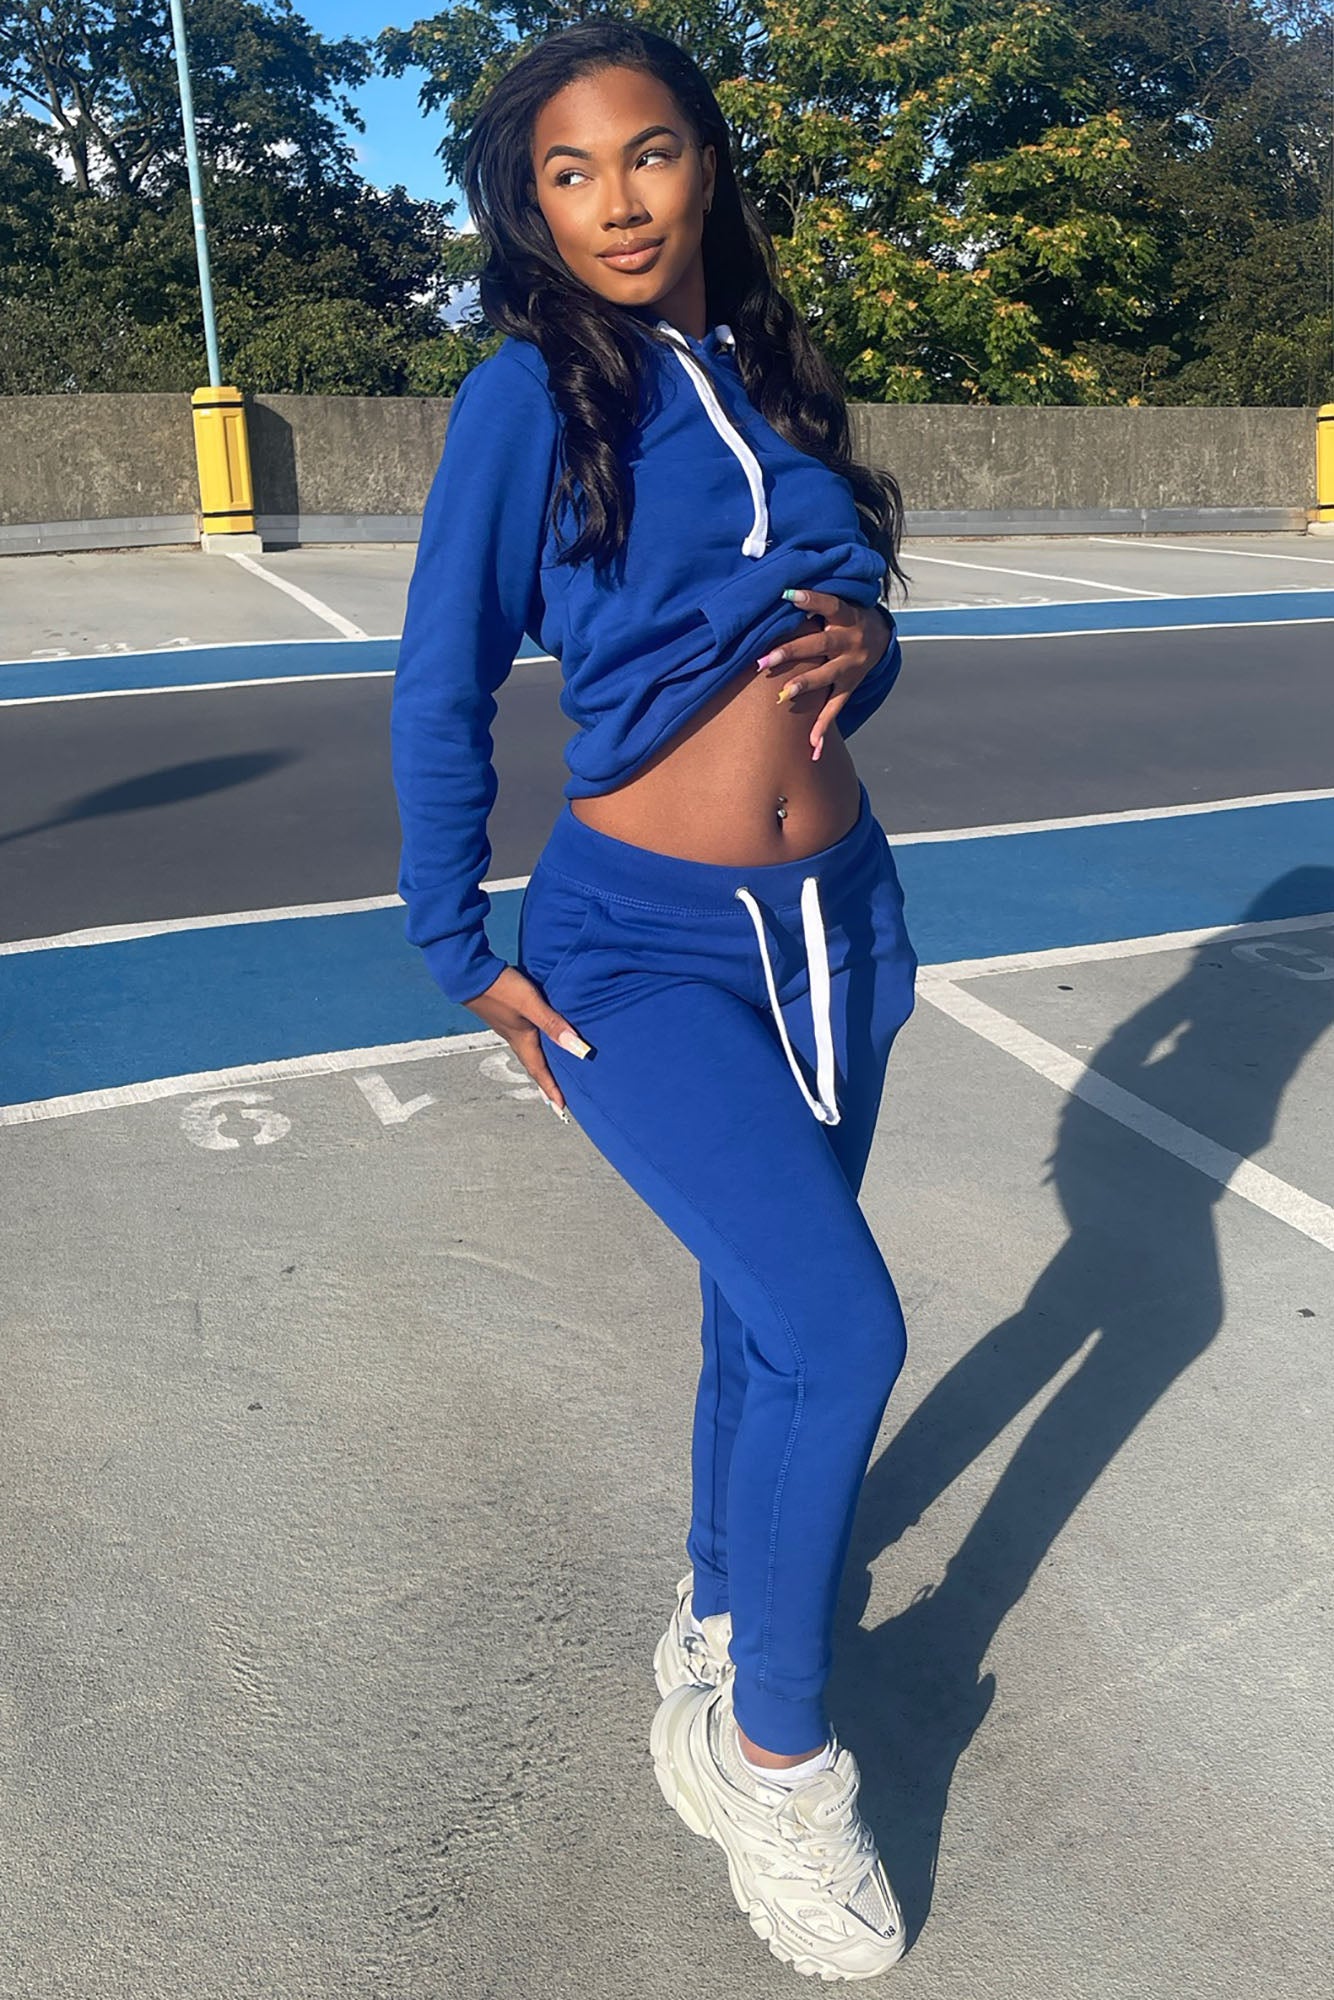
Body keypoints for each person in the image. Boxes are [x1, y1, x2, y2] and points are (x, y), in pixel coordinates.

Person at [390, 16, 918, 1981]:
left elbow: (837, 618)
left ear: (704, 164)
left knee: (762, 1315)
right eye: (568, 172)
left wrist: (871, 644)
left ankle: (714, 1620)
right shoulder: (525, 398)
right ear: (528, 208)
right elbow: (441, 679)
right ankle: (776, 1764)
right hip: (641, 942)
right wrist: (459, 946)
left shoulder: (771, 370)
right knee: (842, 1330)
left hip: (839, 919)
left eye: (648, 154)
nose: (614, 201)